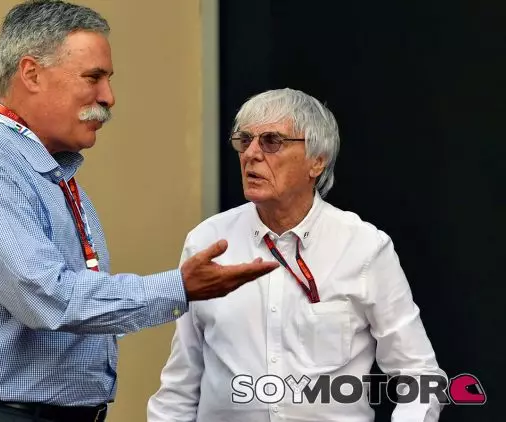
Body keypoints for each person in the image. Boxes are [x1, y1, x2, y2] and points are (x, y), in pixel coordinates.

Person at [0, 1, 279, 421]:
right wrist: (178, 288)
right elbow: (49, 298)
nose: (108, 97)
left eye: (107, 80)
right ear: (31, 74)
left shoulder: (47, 174)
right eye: (93, 78)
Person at [147, 88, 447, 421]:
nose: (252, 154)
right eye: (245, 141)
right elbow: (180, 383)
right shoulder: (208, 241)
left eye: (272, 141)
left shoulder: (363, 247)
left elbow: (419, 376)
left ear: (316, 162)